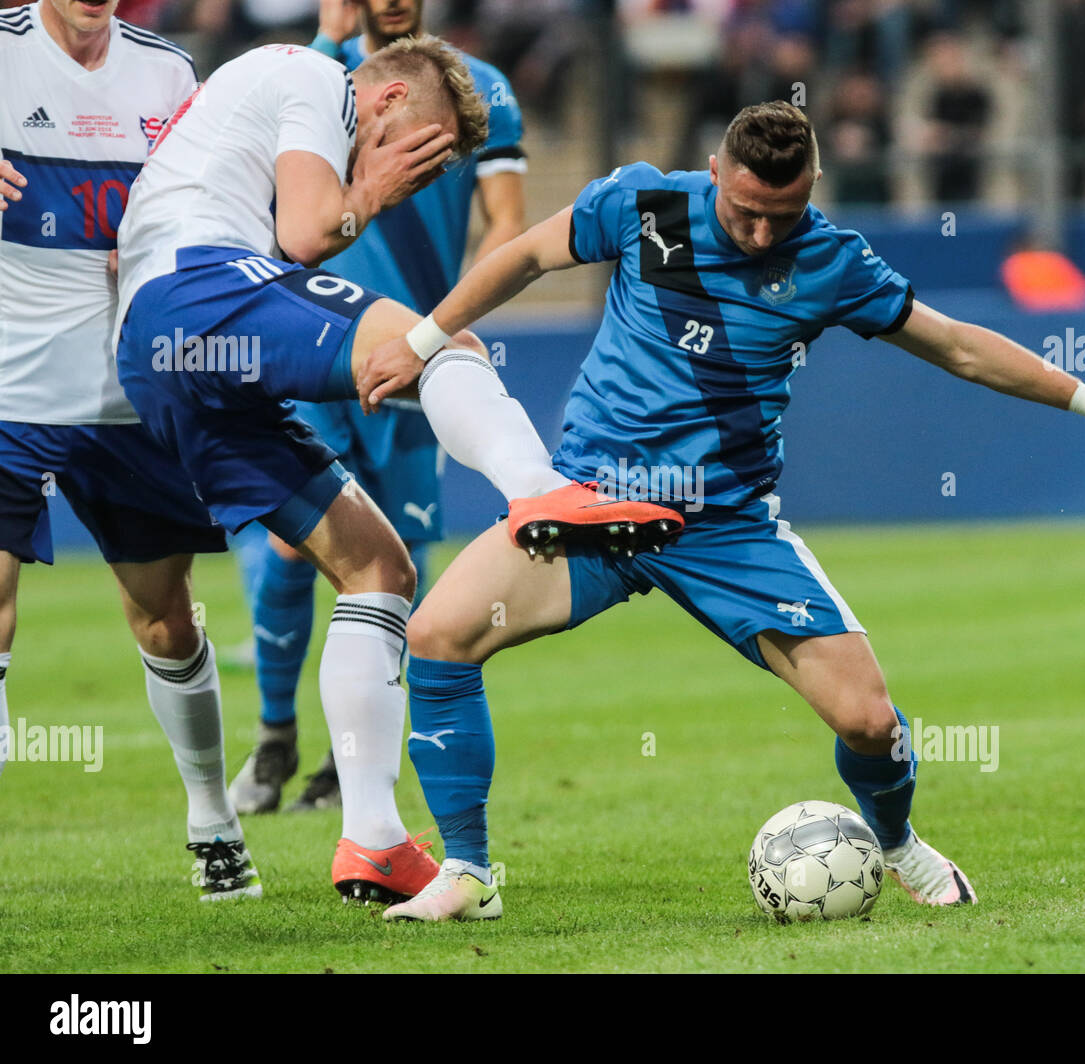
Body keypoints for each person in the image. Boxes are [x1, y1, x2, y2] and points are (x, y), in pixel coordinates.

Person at [359, 101, 1085, 922]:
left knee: (869, 722)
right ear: (715, 173)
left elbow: (960, 345)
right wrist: (426, 340)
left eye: (782, 215)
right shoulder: (644, 205)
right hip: (592, 505)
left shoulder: (832, 261)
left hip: (724, 525)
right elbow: (525, 258)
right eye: (747, 212)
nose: (762, 234)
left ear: (814, 186)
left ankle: (898, 841)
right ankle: (469, 871)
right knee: (437, 636)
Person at [112, 34, 681, 903]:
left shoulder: (246, 114)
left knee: (379, 569)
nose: (421, 171)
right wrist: (372, 192)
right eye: (422, 146)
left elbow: (281, 243)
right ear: (383, 102)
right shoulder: (312, 78)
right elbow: (306, 233)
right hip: (198, 289)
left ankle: (373, 838)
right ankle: (541, 492)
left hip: (163, 351)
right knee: (442, 338)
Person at [227, 0, 529, 817]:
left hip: (411, 351)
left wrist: (443, 329)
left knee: (396, 552)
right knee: (296, 548)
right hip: (312, 340)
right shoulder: (319, 77)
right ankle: (273, 736)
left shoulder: (483, 90)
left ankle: (345, 757)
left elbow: (507, 224)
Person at [0, 0, 258, 900]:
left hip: (123, 388)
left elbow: (212, 202)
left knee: (166, 620)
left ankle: (212, 818)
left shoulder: (169, 74)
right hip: (9, 382)